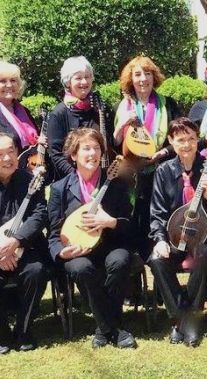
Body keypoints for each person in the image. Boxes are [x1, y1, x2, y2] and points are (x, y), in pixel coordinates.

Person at [47, 128, 136, 349]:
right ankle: (112, 328)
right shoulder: (60, 189)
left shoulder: (115, 182)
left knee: (119, 261)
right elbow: (53, 233)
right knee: (80, 268)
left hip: (112, 244)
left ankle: (103, 328)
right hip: (78, 248)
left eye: (96, 148)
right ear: (74, 155)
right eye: (86, 148)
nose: (92, 153)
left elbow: (130, 224)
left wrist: (110, 222)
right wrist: (60, 250)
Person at [147, 118, 207, 347]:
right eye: (181, 140)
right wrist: (159, 239)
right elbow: (157, 213)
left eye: (191, 139)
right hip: (176, 237)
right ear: (171, 142)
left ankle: (187, 321)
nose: (186, 144)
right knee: (157, 259)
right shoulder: (163, 171)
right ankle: (182, 318)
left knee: (203, 254)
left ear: (198, 141)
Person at [113, 55, 180, 258]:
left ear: (154, 77)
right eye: (138, 74)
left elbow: (177, 137)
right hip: (130, 174)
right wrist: (122, 123)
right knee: (135, 220)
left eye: (148, 74)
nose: (143, 79)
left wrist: (162, 153)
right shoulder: (121, 106)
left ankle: (160, 261)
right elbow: (114, 143)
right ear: (130, 79)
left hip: (160, 170)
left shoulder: (168, 104)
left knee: (159, 217)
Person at [0, 134, 48, 353]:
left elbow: (40, 214)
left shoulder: (29, 179)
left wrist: (17, 241)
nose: (7, 158)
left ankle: (24, 330)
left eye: (11, 151)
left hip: (27, 247)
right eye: (0, 154)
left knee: (36, 271)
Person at [47, 56, 115, 181]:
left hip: (102, 177)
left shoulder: (100, 108)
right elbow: (55, 154)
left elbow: (111, 142)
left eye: (87, 77)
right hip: (72, 180)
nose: (84, 82)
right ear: (68, 82)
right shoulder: (59, 113)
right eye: (78, 78)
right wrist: (77, 176)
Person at [0, 62, 46, 168]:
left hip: (28, 170)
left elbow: (33, 138)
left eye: (13, 80)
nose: (9, 85)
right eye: (2, 81)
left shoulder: (24, 111)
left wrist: (39, 141)